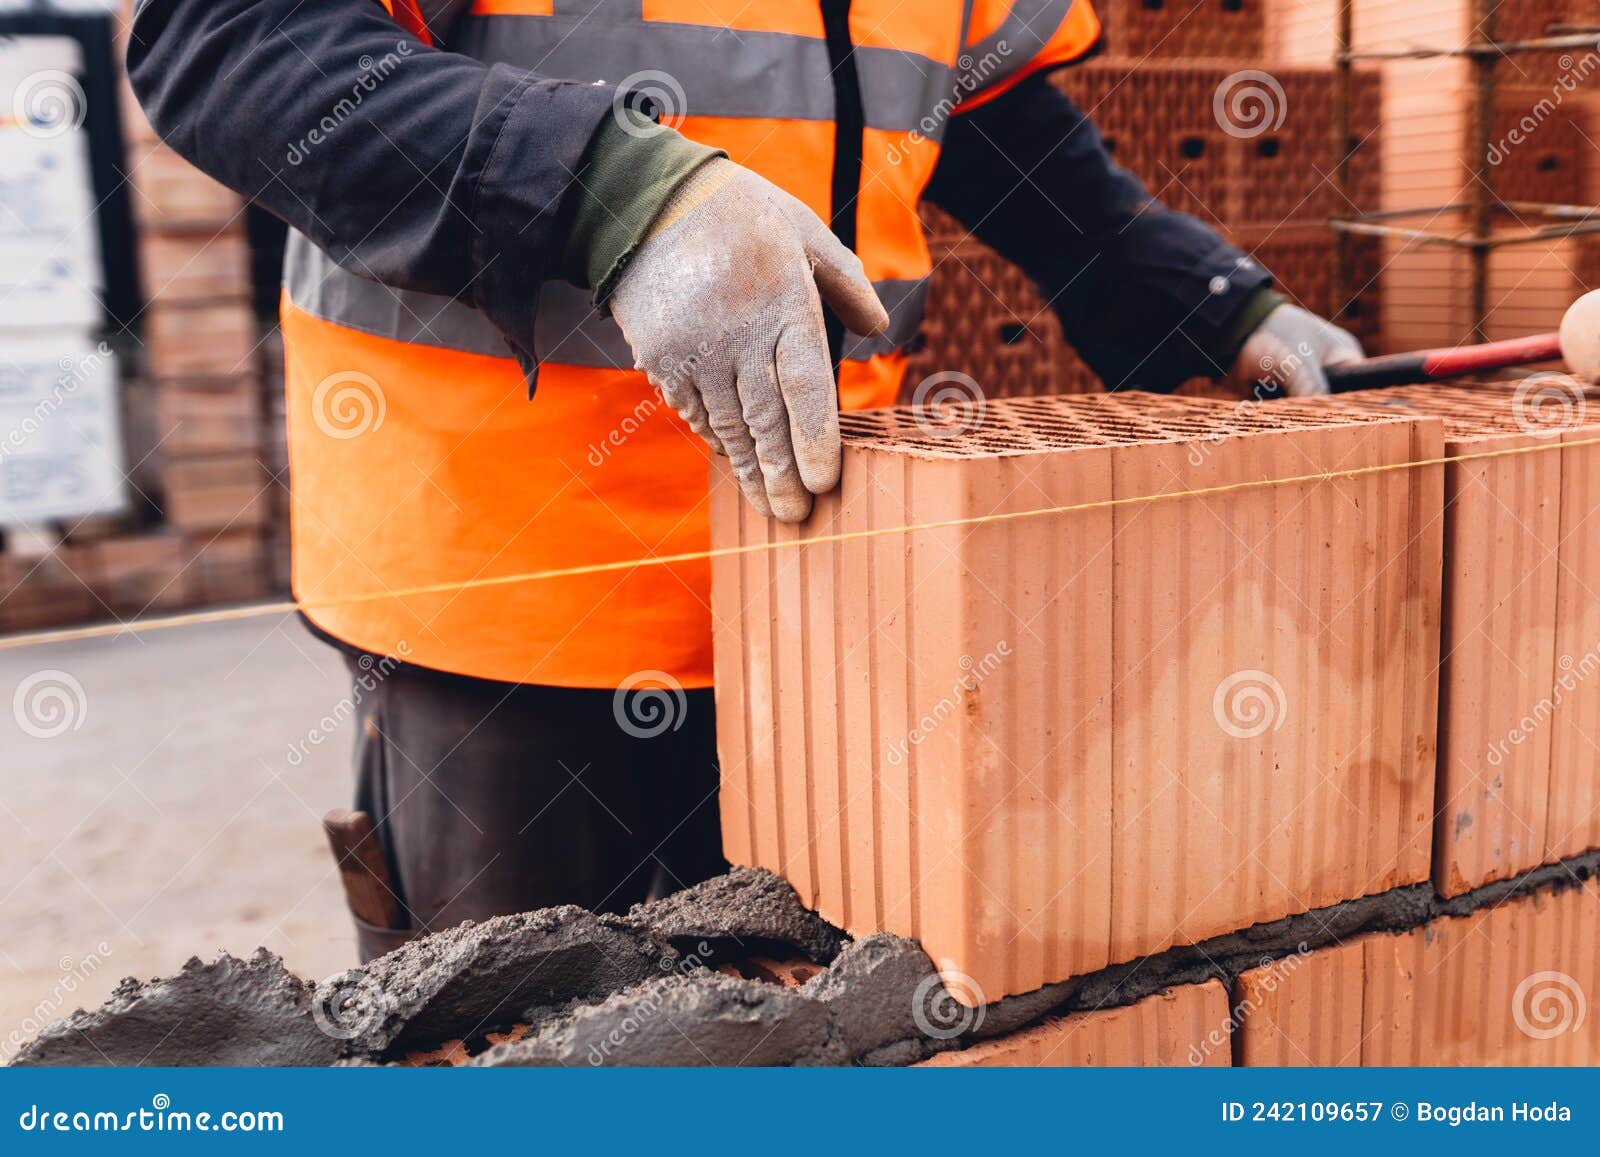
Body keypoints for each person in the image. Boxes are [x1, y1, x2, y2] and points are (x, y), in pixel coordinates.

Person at [127, 0, 1362, 958]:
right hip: (508, 593)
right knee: (518, 1054)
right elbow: (235, 45)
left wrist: (1209, 301)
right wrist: (611, 190)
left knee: (804, 1023)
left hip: (819, 573)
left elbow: (990, 121)